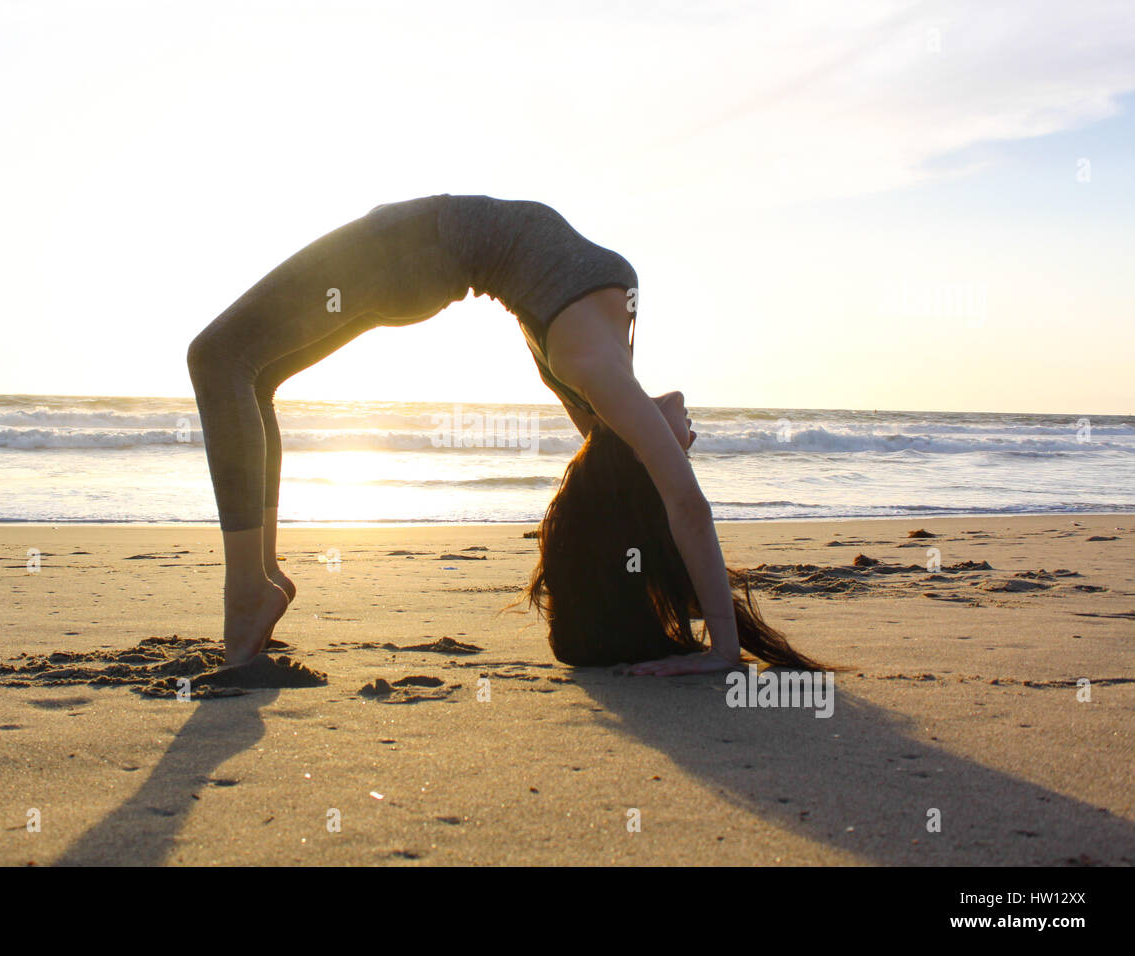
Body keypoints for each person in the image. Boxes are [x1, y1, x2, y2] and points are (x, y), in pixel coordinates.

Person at [186, 193, 828, 674]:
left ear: (635, 454)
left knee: (217, 359)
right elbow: (656, 508)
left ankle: (247, 593)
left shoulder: (593, 369)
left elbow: (685, 505)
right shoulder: (603, 377)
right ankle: (262, 576)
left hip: (412, 248)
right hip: (420, 251)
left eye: (673, 447)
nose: (690, 429)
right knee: (251, 372)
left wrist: (719, 647)